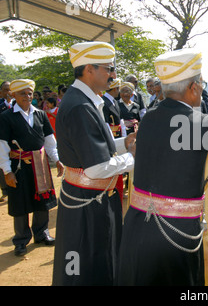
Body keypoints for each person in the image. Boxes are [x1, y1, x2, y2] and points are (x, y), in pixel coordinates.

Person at [117, 48, 208, 286]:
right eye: (202, 84)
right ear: (194, 87)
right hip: (174, 231)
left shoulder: (149, 118)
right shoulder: (201, 123)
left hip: (137, 226)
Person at [52, 41, 136, 286]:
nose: (113, 75)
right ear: (89, 69)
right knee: (85, 266)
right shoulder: (80, 106)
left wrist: (125, 143)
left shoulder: (86, 100)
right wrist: (134, 157)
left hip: (92, 198)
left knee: (97, 260)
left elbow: (99, 146)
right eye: (108, 69)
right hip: (88, 203)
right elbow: (96, 167)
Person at [0, 79, 64, 256]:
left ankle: (41, 233)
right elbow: (2, 146)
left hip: (40, 163)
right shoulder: (6, 117)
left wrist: (57, 160)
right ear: (13, 95)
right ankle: (21, 240)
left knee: (42, 199)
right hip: (18, 166)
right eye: (22, 93)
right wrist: (7, 171)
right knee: (20, 202)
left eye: (29, 93)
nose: (27, 96)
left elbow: (49, 141)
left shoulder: (40, 115)